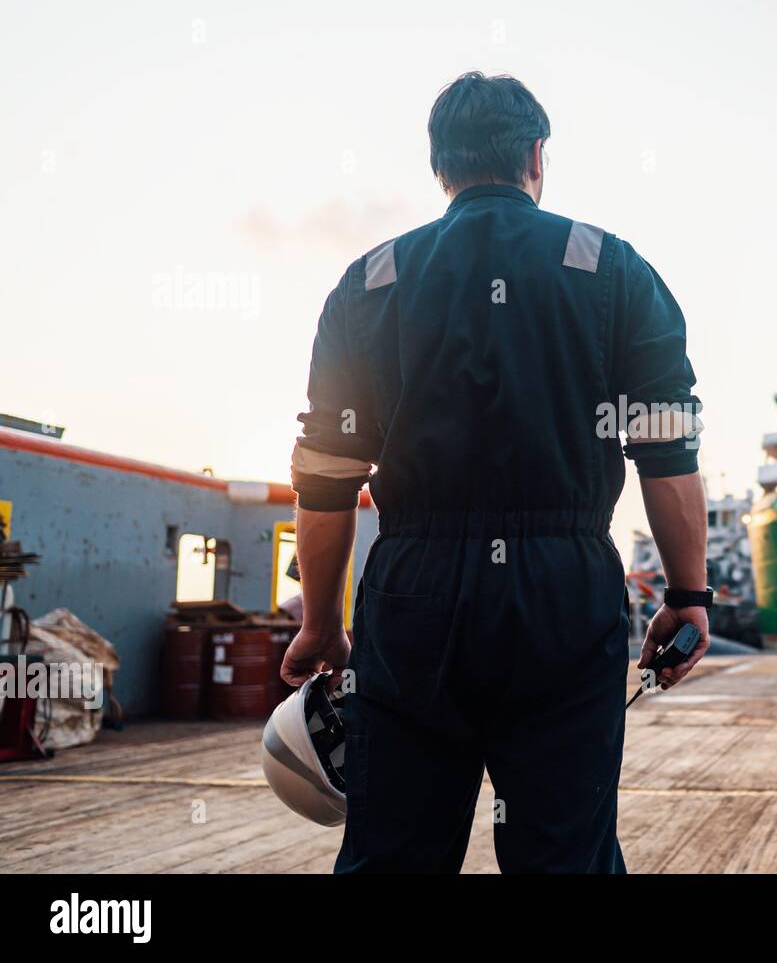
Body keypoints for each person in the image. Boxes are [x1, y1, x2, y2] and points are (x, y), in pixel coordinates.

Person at [281, 71, 710, 873]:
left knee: (392, 853)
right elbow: (668, 449)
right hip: (561, 592)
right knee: (564, 855)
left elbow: (327, 479)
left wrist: (321, 623)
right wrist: (688, 595)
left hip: (413, 593)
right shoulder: (611, 270)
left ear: (439, 166)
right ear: (536, 157)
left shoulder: (371, 282)